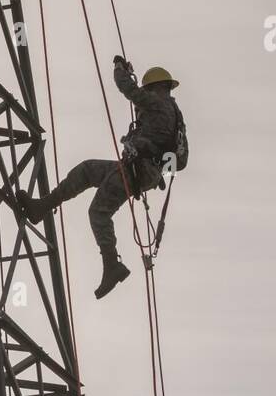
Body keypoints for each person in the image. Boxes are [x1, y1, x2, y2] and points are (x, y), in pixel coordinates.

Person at [17, 56, 188, 299]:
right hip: (140, 169)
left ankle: (111, 264)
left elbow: (128, 90)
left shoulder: (158, 103)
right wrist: (158, 162)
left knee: (98, 211)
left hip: (139, 169)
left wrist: (120, 70)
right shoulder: (176, 119)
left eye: (149, 89)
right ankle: (43, 206)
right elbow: (180, 162)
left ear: (155, 88)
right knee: (87, 170)